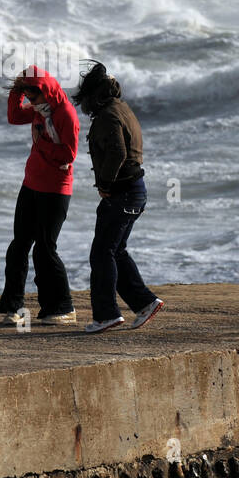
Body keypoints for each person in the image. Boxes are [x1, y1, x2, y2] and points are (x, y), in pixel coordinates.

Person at [73, 62, 163, 333]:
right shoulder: (121, 108)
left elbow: (117, 153)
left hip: (122, 193)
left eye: (85, 99)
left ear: (96, 95)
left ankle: (106, 315)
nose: (84, 106)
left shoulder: (108, 116)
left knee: (102, 254)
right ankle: (145, 303)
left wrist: (105, 184)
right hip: (135, 191)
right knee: (115, 250)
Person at [0, 65, 79, 326]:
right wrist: (17, 91)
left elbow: (68, 154)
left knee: (45, 250)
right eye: (29, 98)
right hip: (31, 184)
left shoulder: (64, 113)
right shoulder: (39, 110)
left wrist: (41, 141)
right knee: (19, 246)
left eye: (34, 97)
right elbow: (13, 116)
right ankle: (13, 308)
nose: (31, 103)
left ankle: (62, 307)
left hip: (55, 189)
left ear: (47, 92)